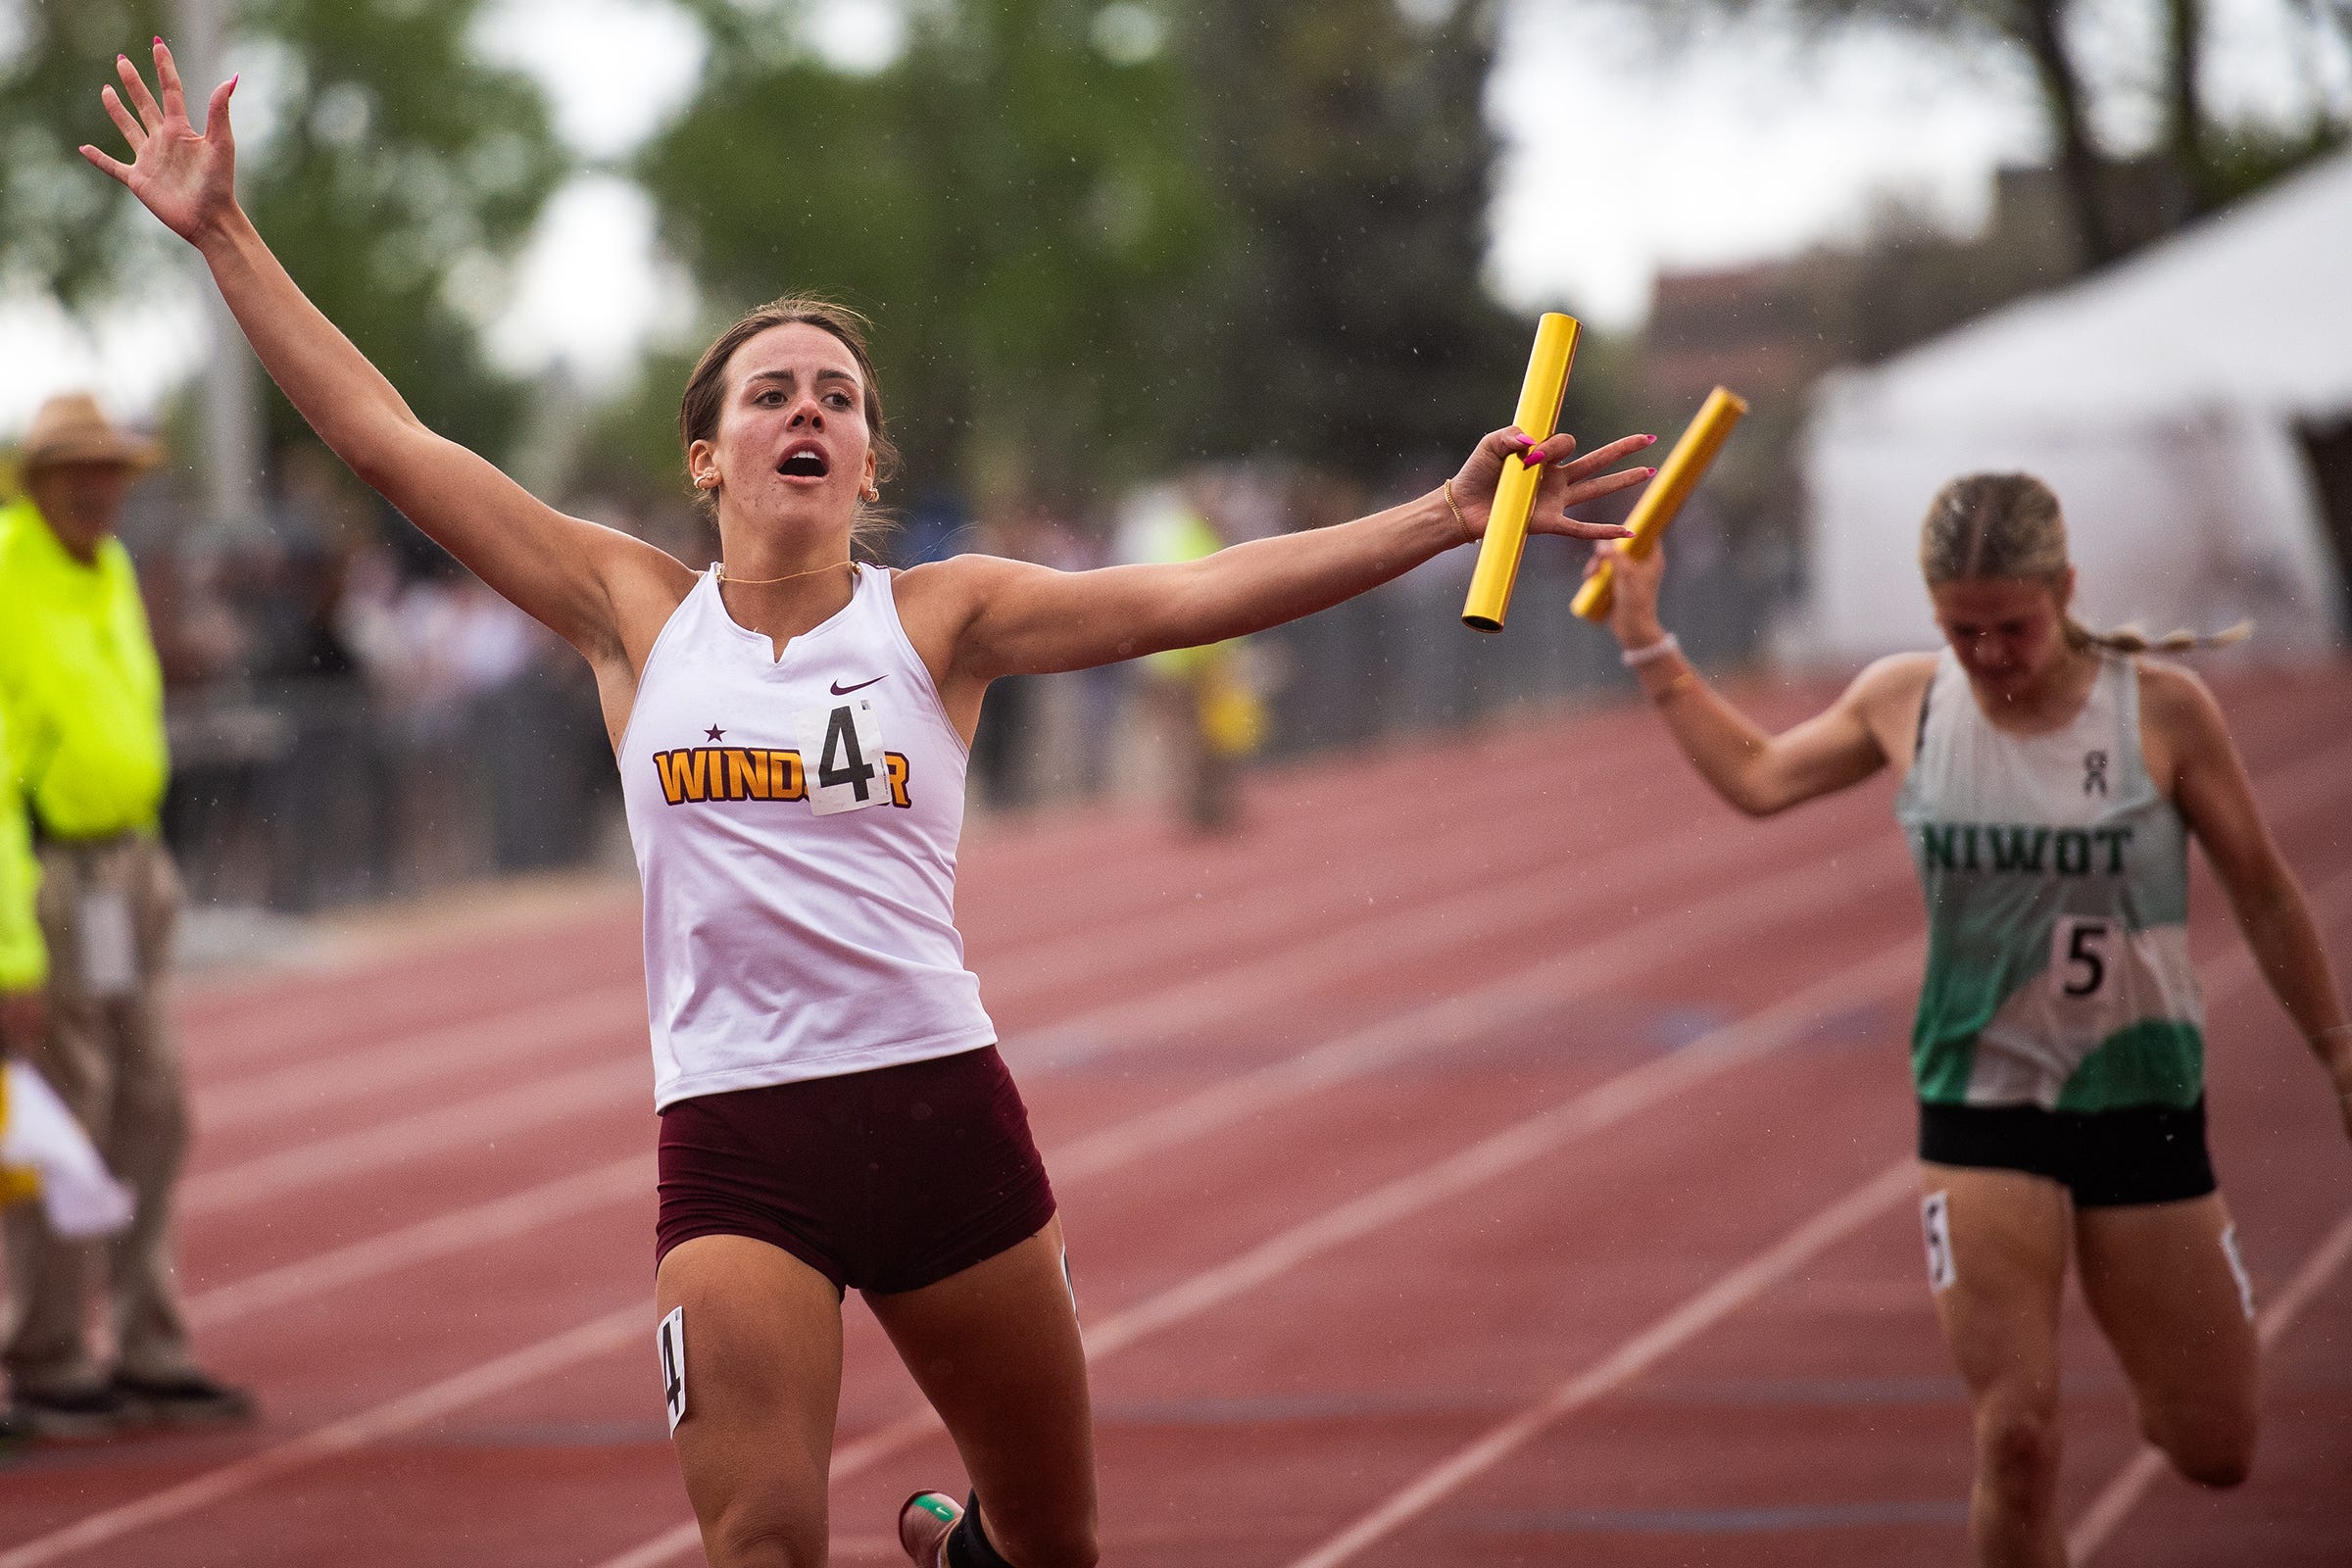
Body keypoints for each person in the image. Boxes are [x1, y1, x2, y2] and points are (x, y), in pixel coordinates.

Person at [84, 41, 1657, 1568]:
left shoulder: (940, 621)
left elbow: (1196, 593)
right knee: (759, 1541)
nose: (809, 412)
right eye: (773, 394)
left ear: (865, 456)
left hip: (942, 1120)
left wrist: (1440, 520)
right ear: (709, 457)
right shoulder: (632, 612)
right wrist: (226, 237)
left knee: (1055, 1541)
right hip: (736, 1141)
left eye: (838, 395)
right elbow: (387, 439)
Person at [1585, 472, 2352, 1568]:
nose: (1989, 654)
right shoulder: (1909, 700)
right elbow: (1758, 776)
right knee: (2019, 1431)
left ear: (2067, 592)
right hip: (1979, 1100)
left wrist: (2338, 1051)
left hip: (2140, 1095)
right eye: (1963, 629)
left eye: (2014, 629)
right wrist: (1651, 645)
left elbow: (2267, 890)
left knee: (2214, 1443)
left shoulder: (2161, 710)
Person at [0, 391, 256, 1436]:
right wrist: (11, 946)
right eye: (78, 469)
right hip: (47, 873)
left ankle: (148, 1342)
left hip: (129, 866)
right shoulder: (9, 573)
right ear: (38, 476)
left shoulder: (102, 566)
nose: (100, 487)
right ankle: (52, 1353)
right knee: (65, 1119)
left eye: (110, 469)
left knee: (156, 1108)